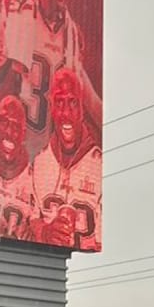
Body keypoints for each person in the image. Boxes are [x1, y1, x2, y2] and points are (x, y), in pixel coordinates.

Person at [0, 0, 102, 160]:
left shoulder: (71, 34)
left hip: (50, 156)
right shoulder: (16, 12)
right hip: (16, 150)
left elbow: (87, 97)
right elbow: (1, 79)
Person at [31, 68, 102, 250]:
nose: (66, 113)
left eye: (73, 103)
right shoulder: (40, 163)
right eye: (59, 103)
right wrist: (45, 232)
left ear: (82, 110)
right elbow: (32, 218)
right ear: (52, 108)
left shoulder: (100, 165)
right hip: (50, 269)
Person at [0, 95, 40, 239]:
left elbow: (37, 228)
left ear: (24, 134)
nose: (9, 132)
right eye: (4, 121)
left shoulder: (34, 178)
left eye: (16, 126)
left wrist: (28, 237)